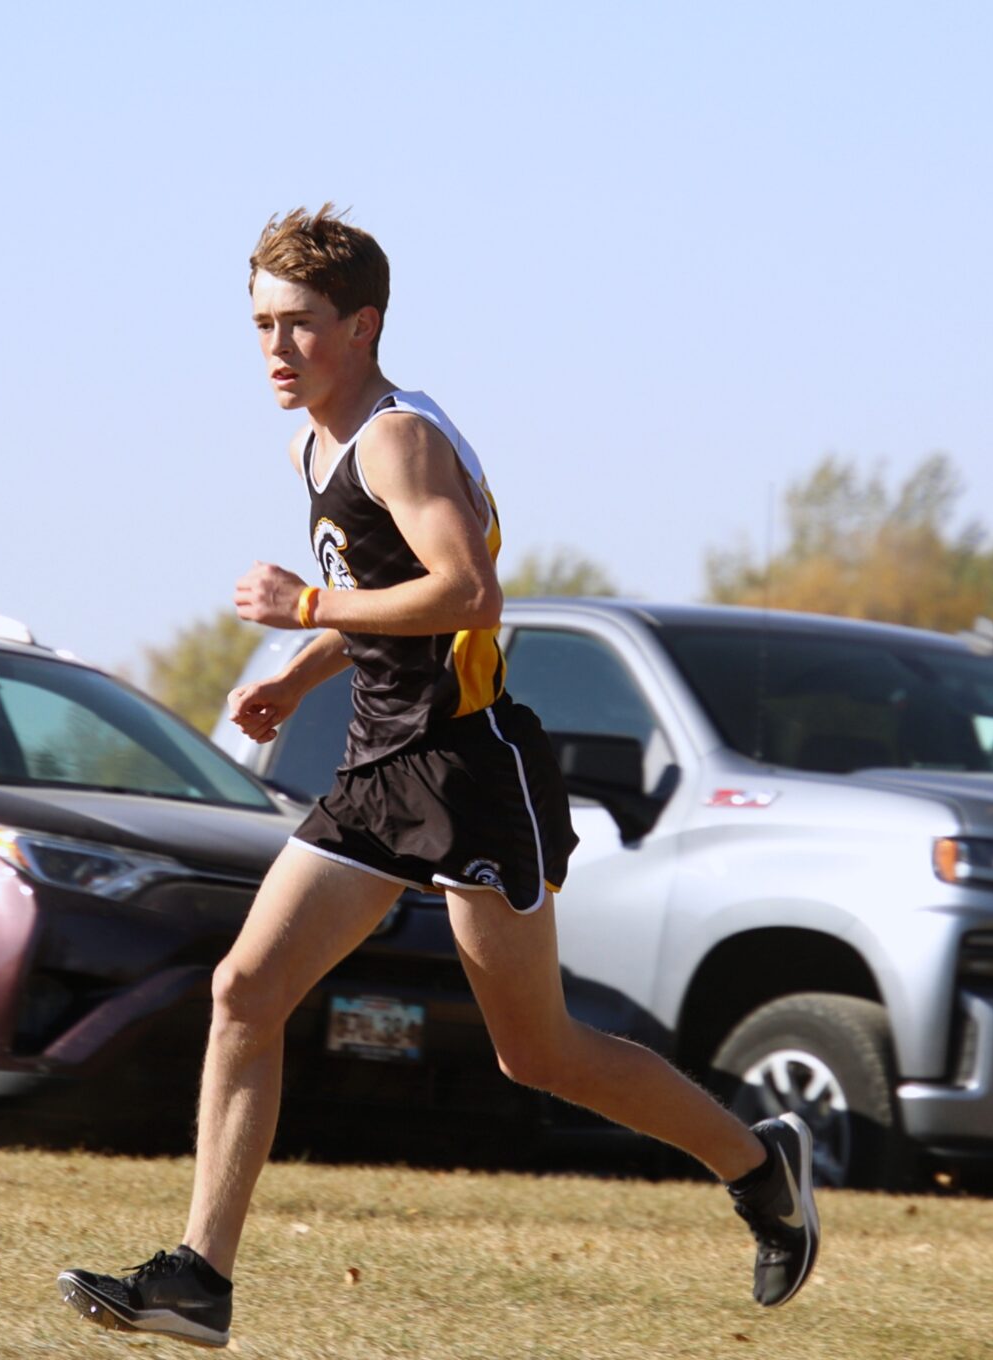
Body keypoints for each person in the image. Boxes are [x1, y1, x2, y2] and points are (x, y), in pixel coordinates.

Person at [57, 206, 819, 1349]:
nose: (275, 349)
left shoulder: (396, 441)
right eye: (261, 325)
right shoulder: (315, 441)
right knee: (242, 992)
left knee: (538, 1051)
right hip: (375, 762)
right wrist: (307, 673)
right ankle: (198, 1278)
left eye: (300, 326)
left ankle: (761, 1168)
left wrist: (305, 610)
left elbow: (469, 593)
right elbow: (386, 589)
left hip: (467, 767)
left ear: (362, 326)